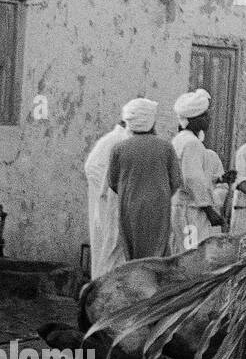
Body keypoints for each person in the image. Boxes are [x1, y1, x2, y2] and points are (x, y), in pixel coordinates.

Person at [107, 98, 181, 260]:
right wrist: (160, 194)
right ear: (152, 122)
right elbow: (175, 181)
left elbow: (112, 182)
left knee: (133, 254)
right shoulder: (165, 147)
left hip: (129, 207)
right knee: (158, 253)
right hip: (158, 208)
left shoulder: (119, 149)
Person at [170, 89, 224, 253]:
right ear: (195, 120)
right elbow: (192, 179)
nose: (208, 119)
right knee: (193, 253)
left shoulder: (180, 140)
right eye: (205, 116)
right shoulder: (192, 144)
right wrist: (210, 211)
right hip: (191, 210)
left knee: (183, 251)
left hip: (183, 208)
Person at [83, 108, 130, 278]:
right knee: (111, 252)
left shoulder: (113, 140)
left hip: (109, 204)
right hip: (111, 205)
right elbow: (94, 170)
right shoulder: (120, 141)